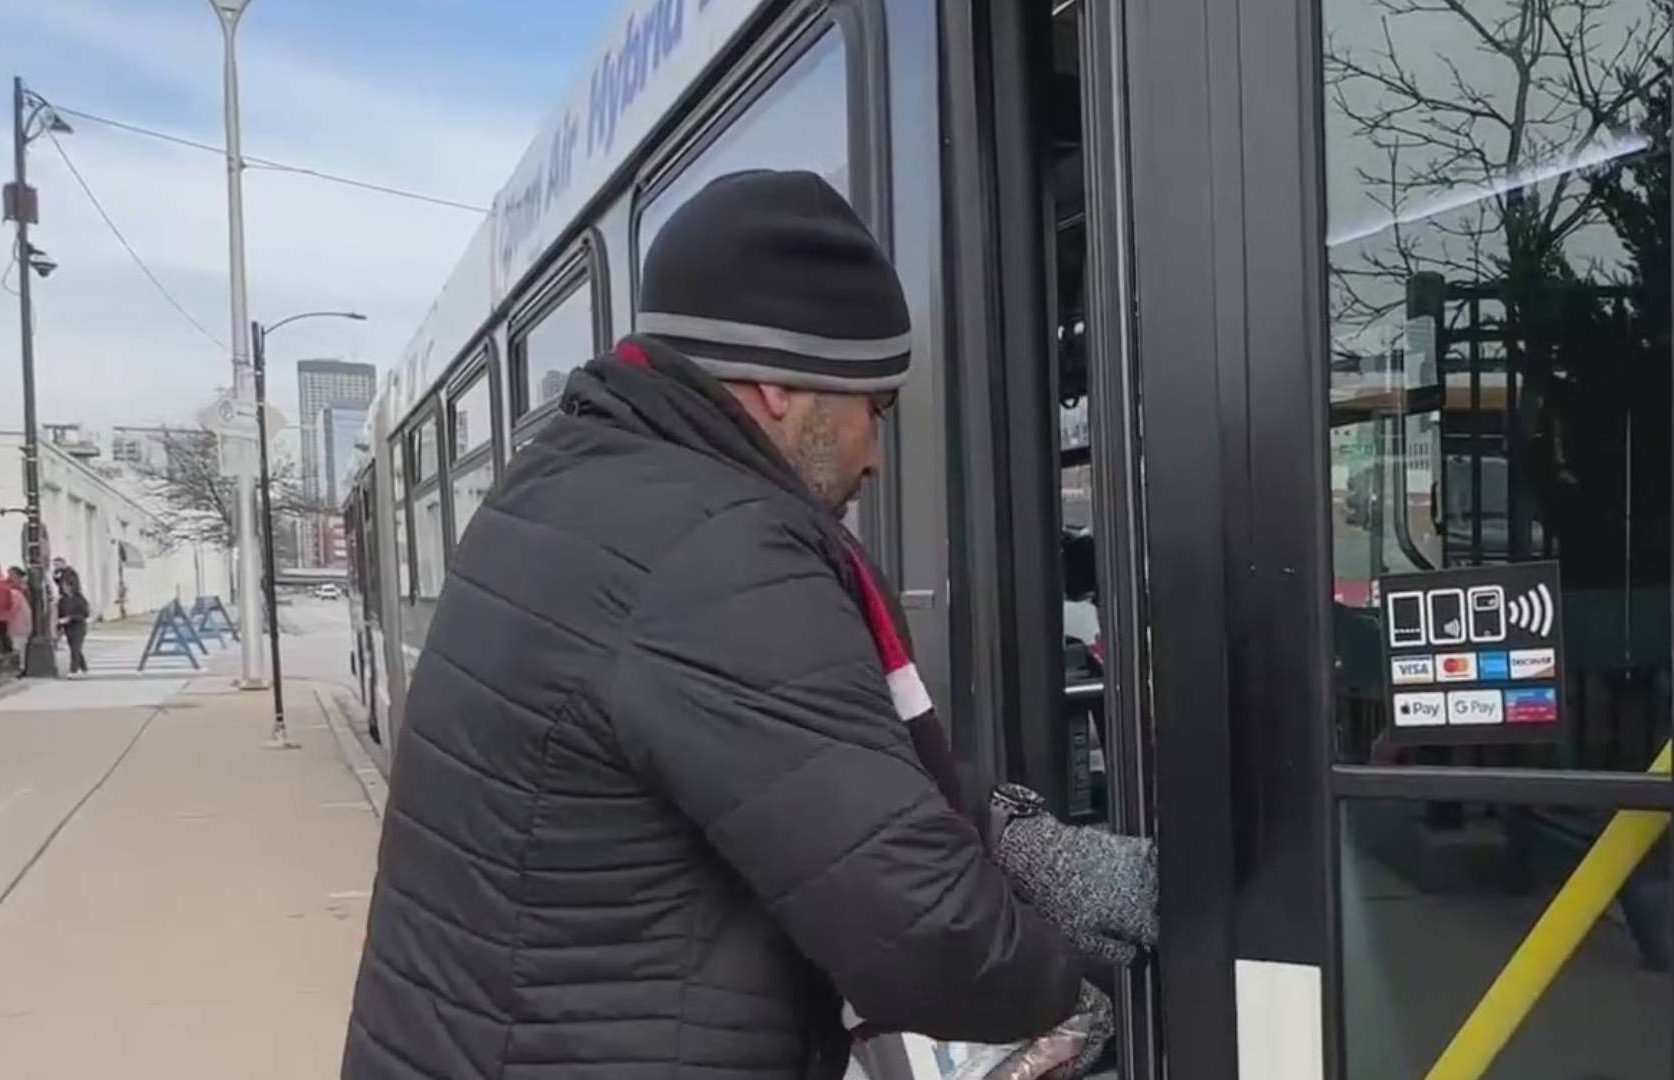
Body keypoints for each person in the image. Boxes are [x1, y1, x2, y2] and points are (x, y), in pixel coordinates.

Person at [344, 171, 1152, 1080]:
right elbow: (931, 936)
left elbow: (808, 762)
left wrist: (1009, 837)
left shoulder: (571, 485)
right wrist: (1062, 989)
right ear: (776, 382)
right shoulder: (719, 553)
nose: (876, 455)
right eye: (872, 409)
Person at [57, 579, 90, 675]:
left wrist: (71, 618)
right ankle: (84, 667)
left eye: (66, 586)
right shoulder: (63, 600)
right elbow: (60, 613)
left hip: (79, 626)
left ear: (71, 587)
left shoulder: (79, 599)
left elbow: (85, 613)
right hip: (68, 627)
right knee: (74, 648)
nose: (64, 588)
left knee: (75, 648)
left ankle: (73, 670)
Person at [6, 568, 33, 675]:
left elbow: (13, 609)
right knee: (20, 646)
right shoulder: (19, 591)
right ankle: (20, 668)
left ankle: (20, 668)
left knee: (18, 647)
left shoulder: (15, 593)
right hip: (23, 624)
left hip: (18, 625)